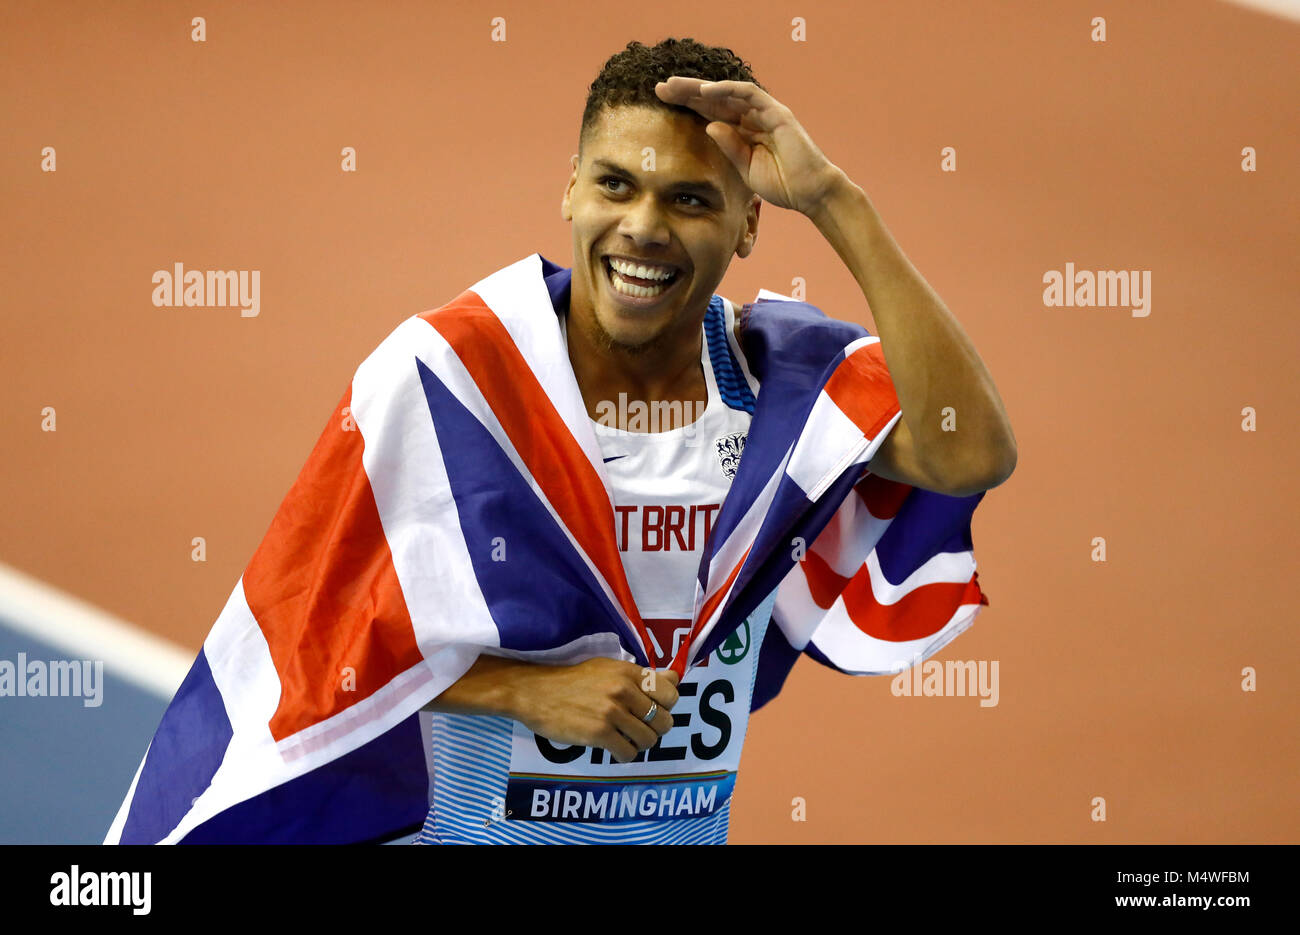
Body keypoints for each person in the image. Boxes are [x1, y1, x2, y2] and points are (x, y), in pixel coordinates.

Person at [411, 37, 1017, 844]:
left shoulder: (777, 390)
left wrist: (836, 198)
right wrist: (522, 691)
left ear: (748, 223)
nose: (644, 228)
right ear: (571, 187)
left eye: (691, 200)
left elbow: (970, 452)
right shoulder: (464, 382)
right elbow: (319, 640)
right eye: (615, 185)